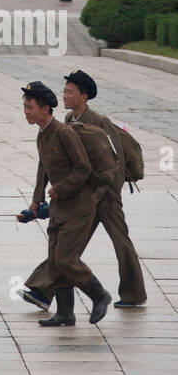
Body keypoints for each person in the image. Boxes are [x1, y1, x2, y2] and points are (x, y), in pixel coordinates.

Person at [23, 73, 146, 313]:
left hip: (106, 195)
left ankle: (133, 293)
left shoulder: (100, 121)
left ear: (84, 96)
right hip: (83, 194)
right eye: (64, 91)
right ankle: (43, 290)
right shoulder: (68, 118)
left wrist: (106, 193)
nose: (65, 96)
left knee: (121, 243)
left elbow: (116, 161)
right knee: (67, 248)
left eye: (69, 92)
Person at [20, 81, 111, 329]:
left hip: (79, 207)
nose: (26, 112)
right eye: (25, 108)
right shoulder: (43, 134)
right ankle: (65, 313)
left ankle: (99, 294)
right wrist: (37, 198)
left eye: (30, 108)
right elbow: (43, 168)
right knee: (54, 260)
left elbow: (84, 169)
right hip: (59, 208)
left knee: (65, 258)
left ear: (46, 108)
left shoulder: (64, 133)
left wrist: (59, 189)